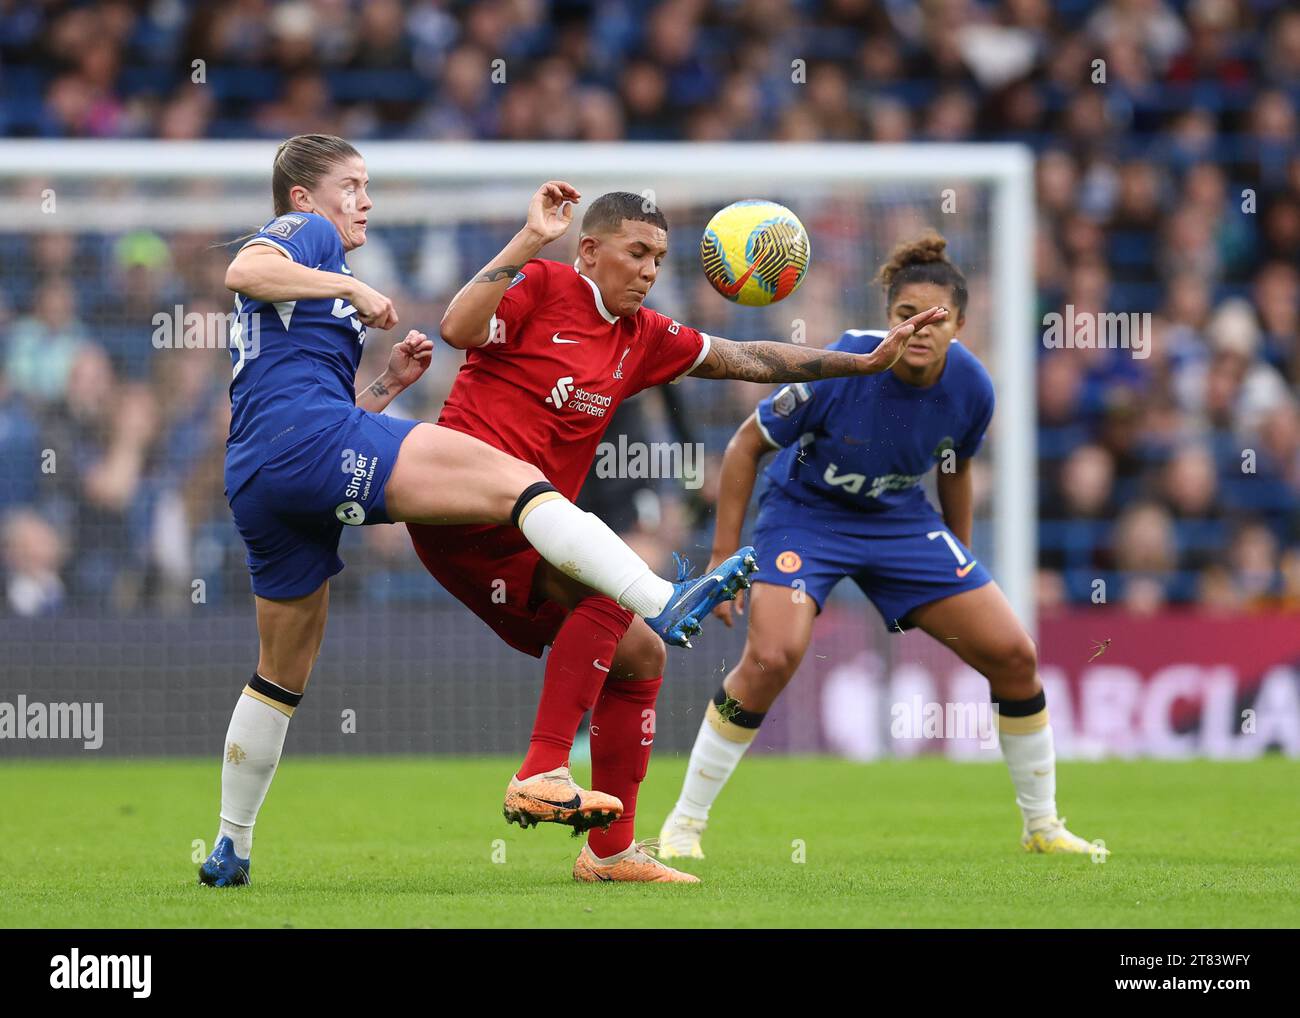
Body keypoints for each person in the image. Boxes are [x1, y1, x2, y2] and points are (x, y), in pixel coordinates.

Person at [199, 136, 755, 887]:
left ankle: (230, 845)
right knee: (517, 484)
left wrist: (386, 389)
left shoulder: (319, 272)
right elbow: (245, 268)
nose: (365, 201)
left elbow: (287, 382)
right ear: (304, 198)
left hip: (267, 470)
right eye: (353, 186)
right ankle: (662, 596)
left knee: (279, 676)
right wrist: (359, 294)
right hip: (307, 441)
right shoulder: (311, 235)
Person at [407, 185, 947, 882]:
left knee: (640, 656)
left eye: (659, 257)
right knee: (612, 584)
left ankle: (610, 853)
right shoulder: (541, 283)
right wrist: (529, 238)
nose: (649, 269)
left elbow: (748, 358)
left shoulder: (643, 338)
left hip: (522, 536)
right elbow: (458, 327)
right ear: (589, 250)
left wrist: (861, 363)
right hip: (460, 499)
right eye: (636, 252)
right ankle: (542, 768)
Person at [658, 232, 1108, 860]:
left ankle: (1042, 827)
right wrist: (722, 555)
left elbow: (954, 467)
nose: (919, 329)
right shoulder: (843, 366)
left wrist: (961, 555)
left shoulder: (973, 388)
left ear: (961, 324)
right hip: (805, 519)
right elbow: (744, 446)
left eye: (937, 318)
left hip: (898, 521)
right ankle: (683, 825)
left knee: (1013, 655)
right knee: (771, 657)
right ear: (887, 318)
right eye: (906, 316)